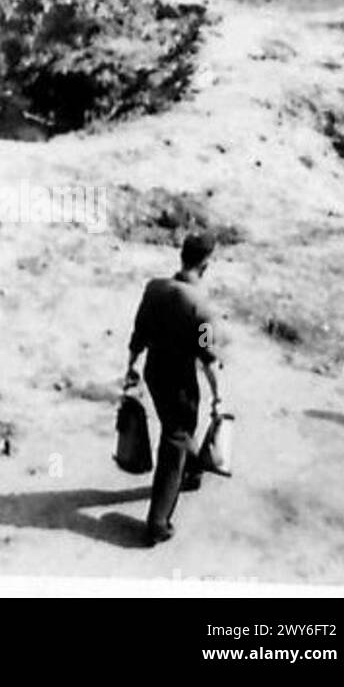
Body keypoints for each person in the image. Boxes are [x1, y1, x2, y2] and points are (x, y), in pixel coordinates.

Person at [125, 233, 224, 546]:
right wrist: (219, 397)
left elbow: (138, 334)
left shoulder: (153, 288)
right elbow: (209, 359)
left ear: (181, 256)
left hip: (153, 373)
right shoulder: (203, 307)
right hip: (181, 383)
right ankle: (158, 523)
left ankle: (192, 470)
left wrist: (130, 366)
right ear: (206, 266)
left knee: (174, 428)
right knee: (176, 437)